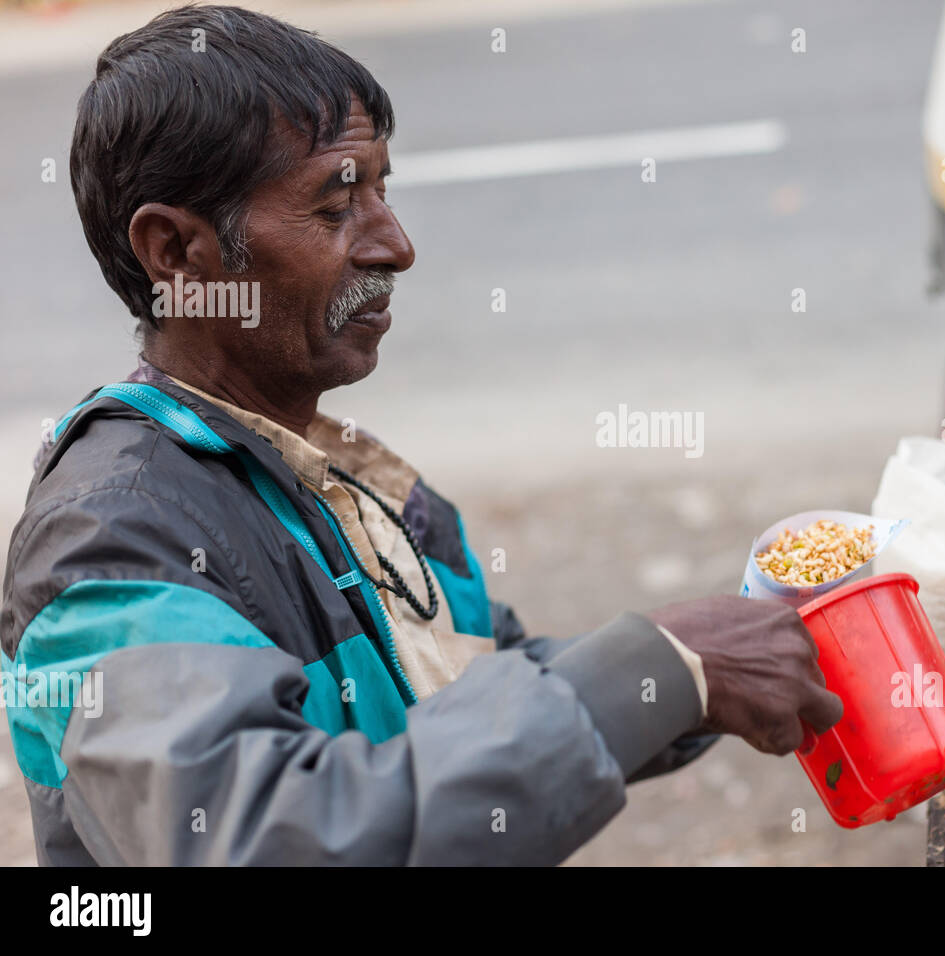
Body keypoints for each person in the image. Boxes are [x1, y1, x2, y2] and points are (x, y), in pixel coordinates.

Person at [0, 5, 841, 865]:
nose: (394, 246)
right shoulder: (114, 541)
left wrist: (702, 665)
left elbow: (469, 695)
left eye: (382, 190)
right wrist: (659, 667)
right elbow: (260, 836)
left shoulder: (337, 485)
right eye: (336, 205)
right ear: (177, 253)